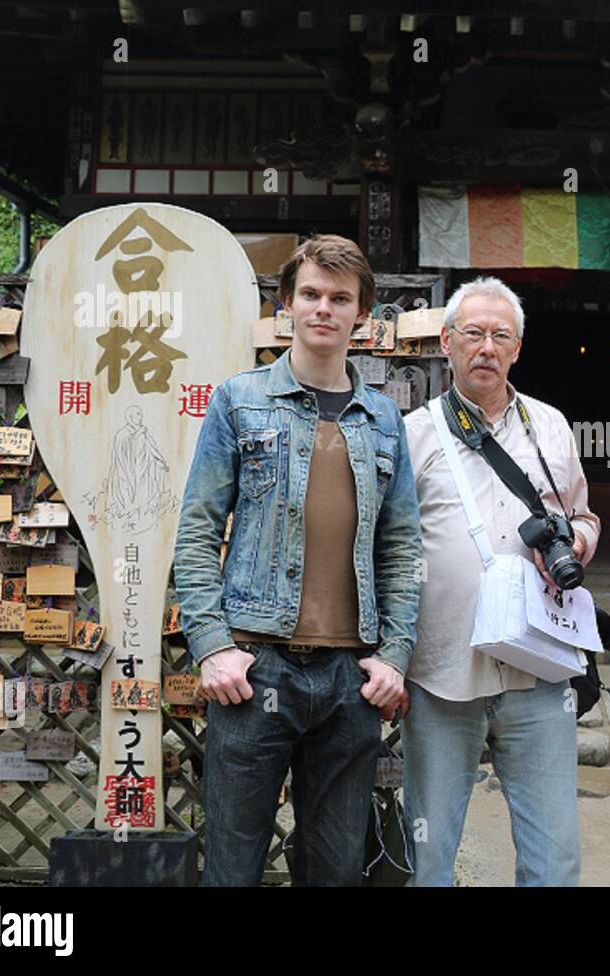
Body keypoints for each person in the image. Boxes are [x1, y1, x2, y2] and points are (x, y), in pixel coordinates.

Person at [173, 235, 423, 886]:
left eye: (340, 298)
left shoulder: (385, 420)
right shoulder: (239, 401)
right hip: (256, 671)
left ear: (362, 312)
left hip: (351, 677)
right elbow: (197, 528)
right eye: (310, 294)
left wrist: (396, 654)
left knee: (336, 870)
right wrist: (210, 645)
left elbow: (401, 546)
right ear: (287, 303)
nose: (323, 309)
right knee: (232, 866)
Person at [401, 276, 601, 887]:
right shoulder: (414, 433)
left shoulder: (551, 427)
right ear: (446, 342)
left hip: (537, 670)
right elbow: (387, 548)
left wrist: (579, 542)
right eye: (473, 334)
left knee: (555, 855)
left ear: (517, 348)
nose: (486, 347)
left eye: (501, 336)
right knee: (430, 856)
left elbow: (585, 516)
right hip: (441, 671)